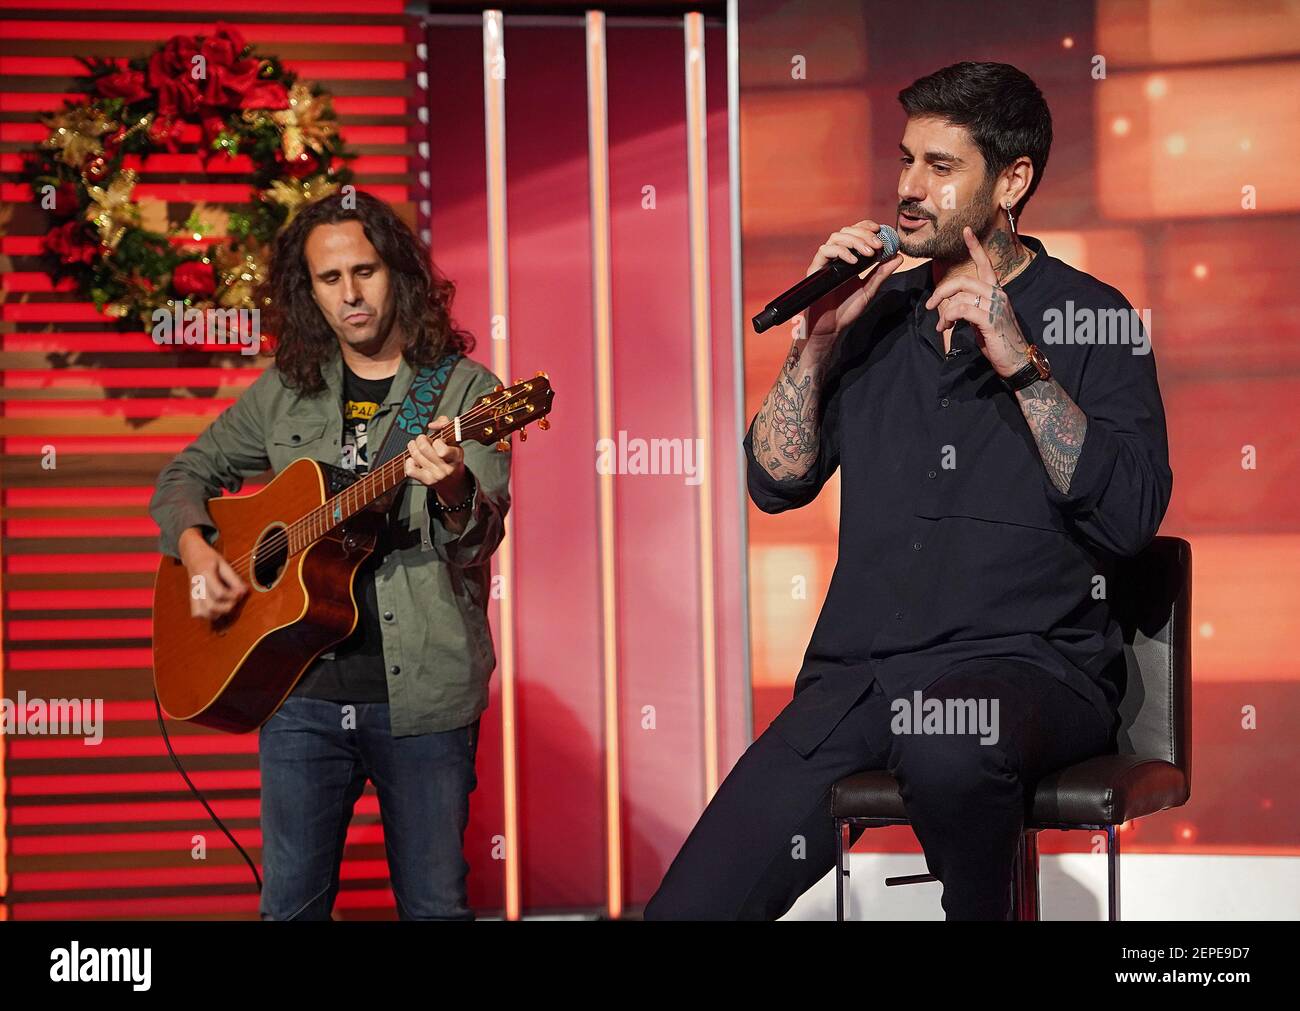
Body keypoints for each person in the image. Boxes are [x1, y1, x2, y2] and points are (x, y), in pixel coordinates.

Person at [645, 61, 1172, 920]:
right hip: (860, 679)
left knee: (948, 747)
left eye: (940, 166)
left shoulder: (1095, 320)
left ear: (1012, 181)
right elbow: (773, 480)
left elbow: (1130, 516)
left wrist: (1023, 364)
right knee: (688, 908)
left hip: (1030, 667)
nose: (909, 190)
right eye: (904, 161)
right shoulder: (877, 318)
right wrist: (815, 343)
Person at [149, 191, 510, 920]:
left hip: (426, 699)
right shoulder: (287, 392)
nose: (350, 293)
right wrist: (197, 550)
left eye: (366, 271)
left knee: (436, 906)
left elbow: (477, 537)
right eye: (329, 278)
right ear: (307, 290)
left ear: (399, 272)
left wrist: (452, 486)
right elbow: (185, 474)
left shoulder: (468, 391)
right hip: (300, 692)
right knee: (290, 908)